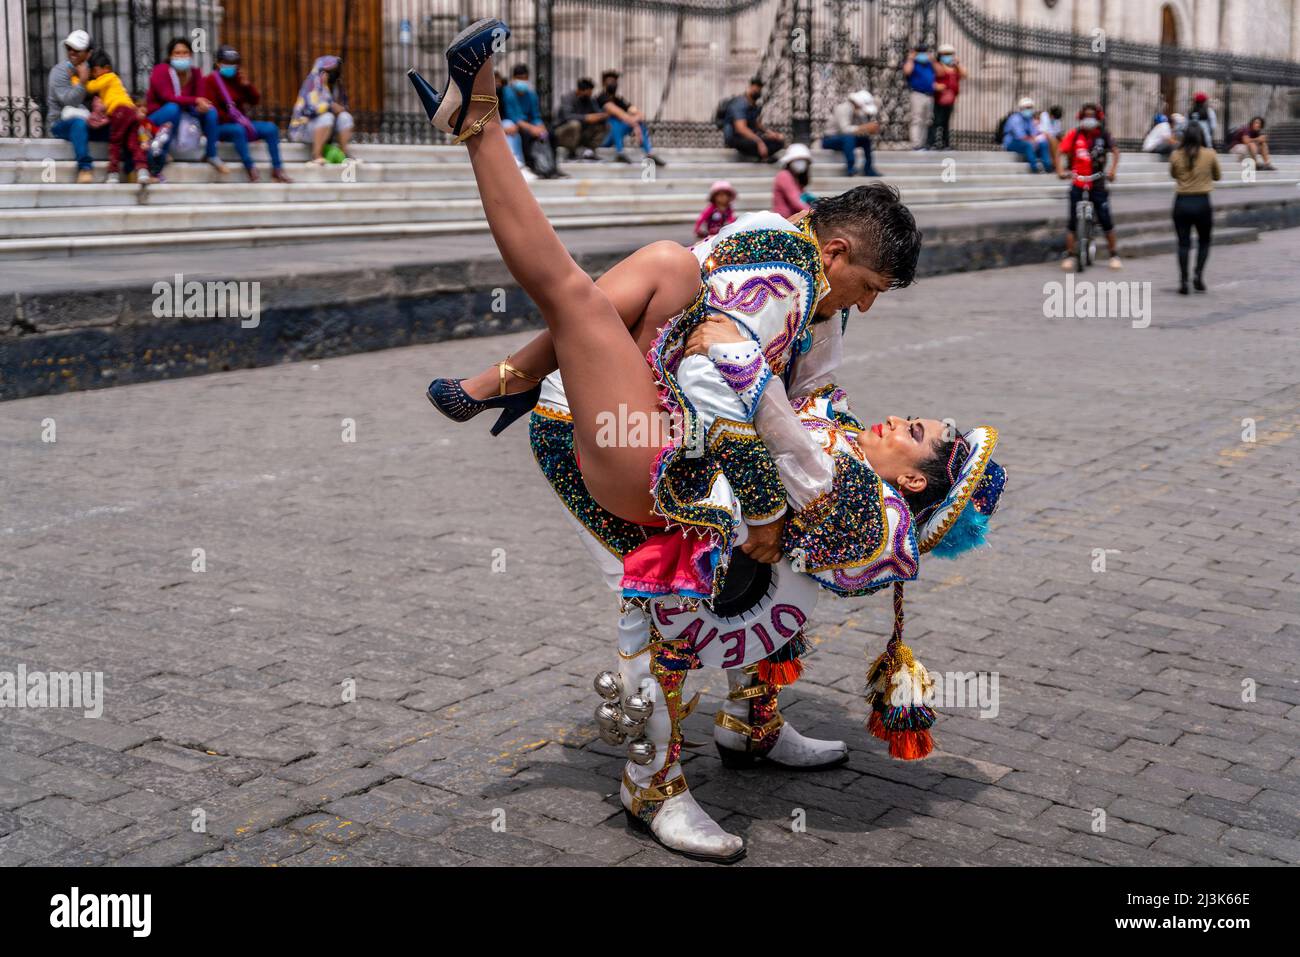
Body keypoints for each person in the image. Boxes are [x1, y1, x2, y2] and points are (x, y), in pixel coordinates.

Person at [408, 20, 1007, 861]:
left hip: (667, 432)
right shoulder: (779, 281)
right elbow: (706, 366)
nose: (868, 306)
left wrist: (808, 458)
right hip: (641, 444)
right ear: (836, 253)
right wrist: (766, 499)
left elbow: (800, 415)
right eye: (869, 286)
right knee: (681, 577)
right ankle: (652, 782)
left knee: (759, 579)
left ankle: (750, 719)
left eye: (916, 435)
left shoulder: (817, 313)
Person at [202, 44, 292, 183]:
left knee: (271, 128)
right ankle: (250, 167)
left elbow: (254, 100)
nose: (231, 67)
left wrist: (247, 85)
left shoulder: (237, 79)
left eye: (233, 64)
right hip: (221, 127)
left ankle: (277, 169)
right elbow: (212, 111)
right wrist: (235, 120)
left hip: (241, 124)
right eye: (226, 63)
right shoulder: (210, 80)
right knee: (238, 130)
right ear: (218, 63)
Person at [146, 36, 227, 175]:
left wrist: (201, 106)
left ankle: (211, 154)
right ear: (170, 55)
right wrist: (195, 101)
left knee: (210, 111)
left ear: (190, 55)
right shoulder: (161, 70)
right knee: (173, 108)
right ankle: (161, 153)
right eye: (177, 53)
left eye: (185, 53)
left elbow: (200, 97)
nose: (181, 56)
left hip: (186, 113)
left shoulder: (195, 73)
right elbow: (168, 97)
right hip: (160, 115)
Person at [1057, 103, 1122, 271]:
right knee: (1072, 220)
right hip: (1078, 180)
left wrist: (1112, 171)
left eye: (1092, 116)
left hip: (1097, 181)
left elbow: (1115, 151)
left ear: (1098, 118)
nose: (1089, 119)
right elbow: (1060, 151)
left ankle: (1114, 254)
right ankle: (1070, 254)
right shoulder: (1075, 134)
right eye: (1086, 116)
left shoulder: (1103, 135)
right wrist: (1060, 171)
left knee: (1105, 219)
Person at [47, 30, 107, 184]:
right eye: (69, 48)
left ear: (88, 53)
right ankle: (85, 168)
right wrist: (82, 82)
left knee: (118, 124)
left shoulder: (93, 69)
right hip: (61, 123)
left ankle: (132, 166)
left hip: (90, 120)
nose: (72, 52)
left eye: (77, 49)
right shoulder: (59, 72)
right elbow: (69, 101)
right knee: (78, 124)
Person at [84, 51, 150, 185]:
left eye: (96, 71)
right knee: (132, 143)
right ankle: (142, 170)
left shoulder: (109, 77)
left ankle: (113, 173)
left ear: (106, 68)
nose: (95, 75)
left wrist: (79, 79)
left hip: (120, 111)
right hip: (131, 112)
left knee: (115, 142)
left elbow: (92, 87)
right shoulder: (114, 80)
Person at [1170, 123, 1221, 295]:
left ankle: (1183, 280)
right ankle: (1198, 275)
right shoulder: (1210, 154)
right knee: (1204, 241)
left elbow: (1173, 174)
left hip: (1182, 202)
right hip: (1202, 203)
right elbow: (1218, 176)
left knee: (1183, 243)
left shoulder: (1176, 154)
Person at [288, 55, 354, 165]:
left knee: (345, 117)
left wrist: (339, 109)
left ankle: (344, 154)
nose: (332, 73)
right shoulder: (311, 84)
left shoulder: (333, 86)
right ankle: (316, 155)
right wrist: (330, 107)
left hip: (325, 127)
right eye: (329, 70)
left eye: (334, 69)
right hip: (304, 129)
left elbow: (343, 105)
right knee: (327, 117)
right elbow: (309, 110)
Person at [501, 63, 559, 178]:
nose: (523, 81)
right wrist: (532, 128)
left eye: (525, 78)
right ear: (513, 78)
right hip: (514, 124)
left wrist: (541, 127)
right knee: (523, 133)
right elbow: (513, 117)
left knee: (550, 134)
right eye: (520, 78)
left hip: (529, 124)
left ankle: (551, 167)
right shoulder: (507, 92)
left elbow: (536, 116)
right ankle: (526, 165)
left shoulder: (531, 95)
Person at [598, 70, 665, 167]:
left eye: (614, 81)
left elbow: (640, 114)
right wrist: (634, 123)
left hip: (616, 136)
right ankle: (620, 153)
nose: (613, 84)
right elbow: (618, 113)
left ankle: (649, 154)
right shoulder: (601, 98)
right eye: (610, 81)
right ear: (604, 83)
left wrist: (636, 122)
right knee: (614, 120)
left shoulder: (619, 100)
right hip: (603, 138)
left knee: (640, 123)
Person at [723, 77, 785, 161]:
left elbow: (756, 123)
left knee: (778, 142)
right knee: (757, 143)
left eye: (760, 90)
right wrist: (759, 142)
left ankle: (760, 156)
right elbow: (741, 129)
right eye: (756, 89)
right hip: (736, 138)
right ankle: (761, 157)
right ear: (750, 87)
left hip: (749, 137)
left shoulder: (753, 105)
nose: (758, 92)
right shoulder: (740, 103)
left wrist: (772, 134)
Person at [821, 89, 881, 176]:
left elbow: (860, 130)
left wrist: (869, 130)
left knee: (865, 140)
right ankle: (850, 167)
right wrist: (864, 128)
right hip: (830, 139)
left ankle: (868, 168)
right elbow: (845, 130)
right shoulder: (843, 108)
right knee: (848, 137)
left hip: (847, 140)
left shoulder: (859, 112)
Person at [554, 77, 607, 161]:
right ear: (581, 91)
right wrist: (586, 118)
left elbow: (597, 112)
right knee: (575, 124)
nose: (590, 94)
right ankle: (571, 152)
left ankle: (589, 151)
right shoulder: (568, 98)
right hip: (563, 133)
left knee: (604, 126)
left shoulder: (590, 100)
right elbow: (567, 116)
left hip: (581, 132)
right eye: (589, 91)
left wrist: (601, 116)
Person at [929, 43, 964, 150]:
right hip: (939, 98)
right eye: (945, 54)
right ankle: (933, 142)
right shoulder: (938, 66)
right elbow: (938, 74)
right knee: (936, 121)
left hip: (950, 99)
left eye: (950, 54)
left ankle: (945, 143)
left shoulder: (954, 67)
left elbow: (964, 74)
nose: (948, 56)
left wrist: (957, 64)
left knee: (946, 122)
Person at [1002, 97, 1052, 172]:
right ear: (1021, 108)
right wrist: (1033, 140)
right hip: (1012, 143)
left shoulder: (1029, 119)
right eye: (1027, 108)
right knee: (1028, 145)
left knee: (1043, 143)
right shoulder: (1015, 118)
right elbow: (1020, 136)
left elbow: (1034, 133)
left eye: (1031, 108)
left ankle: (1048, 165)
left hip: (1026, 141)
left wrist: (1036, 139)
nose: (1029, 110)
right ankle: (1034, 167)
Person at [902, 44, 935, 151]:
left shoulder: (929, 64)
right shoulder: (913, 63)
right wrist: (911, 58)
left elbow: (940, 72)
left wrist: (933, 60)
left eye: (924, 52)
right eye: (920, 52)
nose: (923, 55)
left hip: (929, 95)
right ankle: (916, 144)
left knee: (926, 120)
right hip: (917, 94)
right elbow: (907, 71)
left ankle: (922, 143)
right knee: (917, 119)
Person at [772, 143, 813, 217]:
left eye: (803, 160)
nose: (801, 163)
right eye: (798, 160)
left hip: (794, 219)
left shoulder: (796, 177)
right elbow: (796, 201)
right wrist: (815, 213)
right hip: (784, 222)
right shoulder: (784, 175)